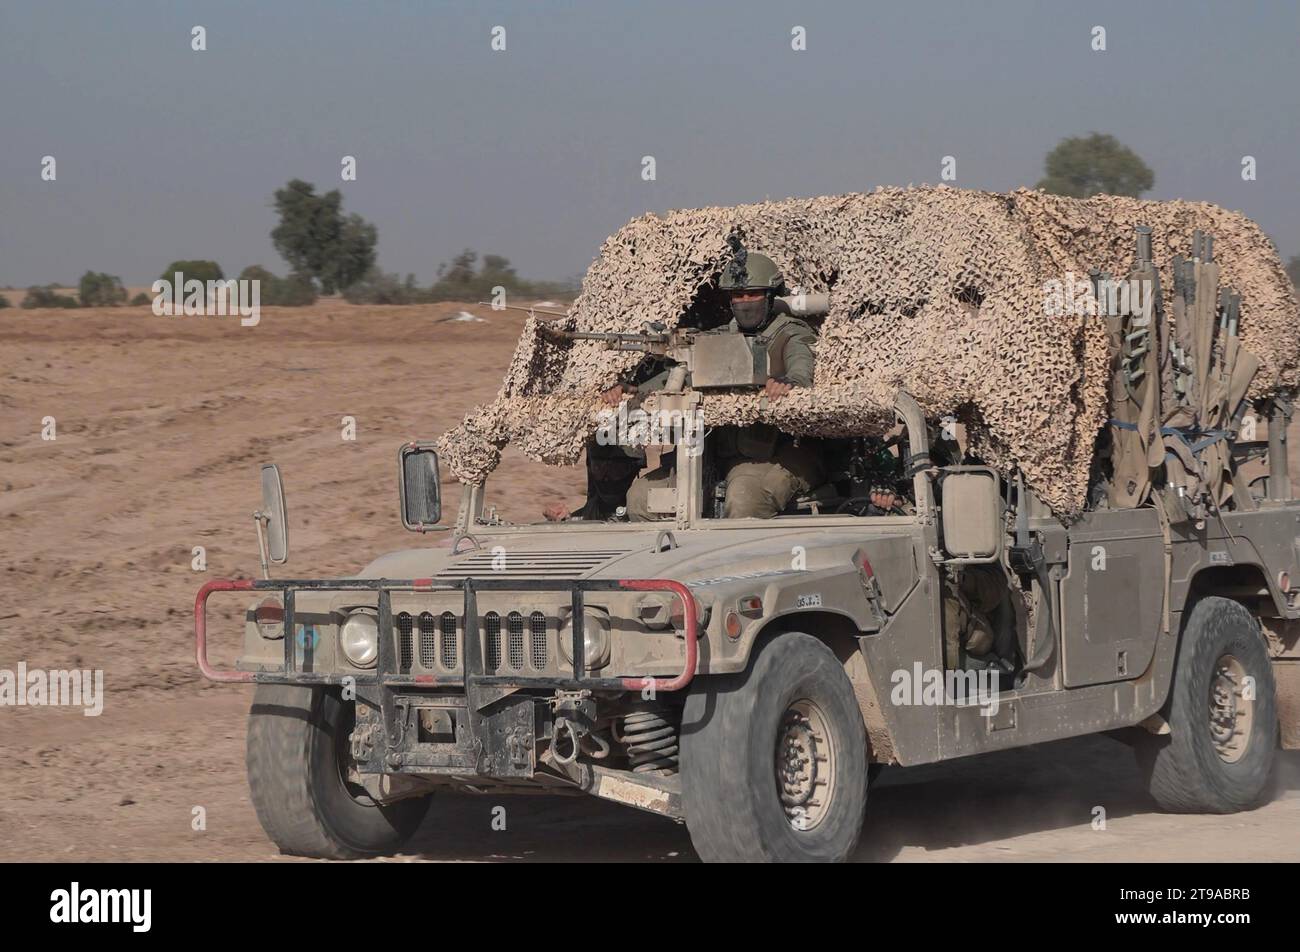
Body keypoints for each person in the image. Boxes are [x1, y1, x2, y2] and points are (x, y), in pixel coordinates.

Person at [616, 250, 823, 520]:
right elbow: (679, 374)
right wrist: (633, 390)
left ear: (771, 296)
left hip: (777, 455)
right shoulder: (717, 338)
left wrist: (787, 384)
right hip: (713, 455)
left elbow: (801, 372)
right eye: (738, 296)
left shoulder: (791, 333)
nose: (745, 302)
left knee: (744, 499)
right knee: (641, 499)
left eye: (753, 294)